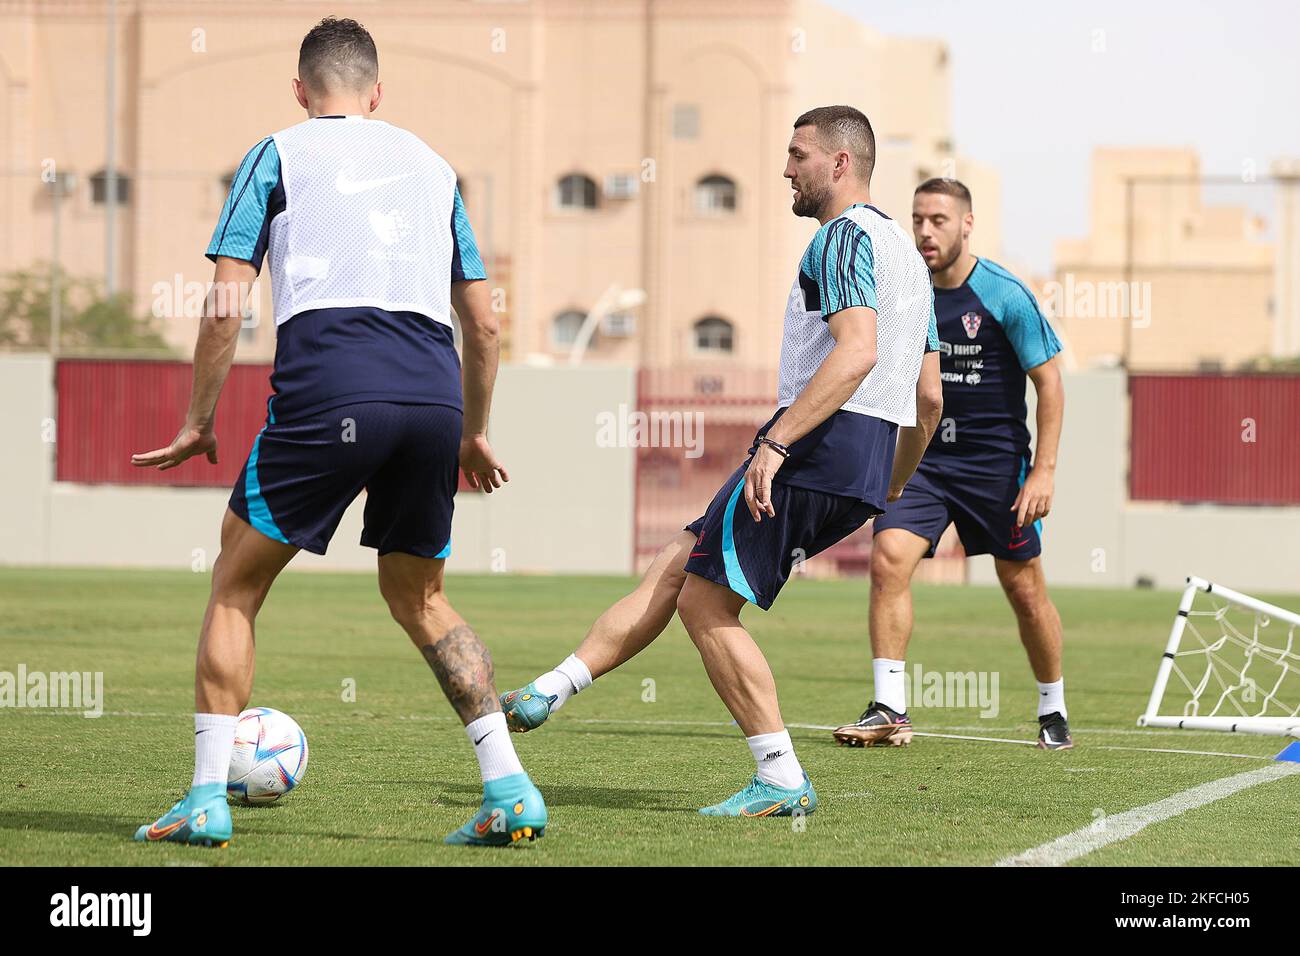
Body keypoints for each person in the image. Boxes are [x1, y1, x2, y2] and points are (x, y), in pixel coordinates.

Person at [131, 17, 545, 848]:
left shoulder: (278, 152)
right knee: (419, 596)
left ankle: (207, 799)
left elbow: (224, 302)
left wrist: (198, 419)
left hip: (332, 385)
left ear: (300, 90)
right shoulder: (434, 168)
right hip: (433, 393)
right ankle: (512, 789)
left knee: (237, 584)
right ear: (377, 94)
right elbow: (486, 324)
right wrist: (472, 430)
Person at [502, 106, 943, 817]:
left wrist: (777, 443)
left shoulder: (839, 238)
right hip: (861, 457)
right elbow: (929, 401)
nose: (786, 169)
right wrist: (885, 484)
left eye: (798, 155)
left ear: (839, 163)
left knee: (707, 601)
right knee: (681, 562)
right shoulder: (909, 262)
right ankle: (551, 689)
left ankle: (779, 777)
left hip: (816, 441)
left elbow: (855, 351)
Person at [831, 178, 1072, 750]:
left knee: (1025, 589)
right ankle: (889, 706)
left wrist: (1045, 470)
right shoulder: (907, 291)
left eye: (938, 220)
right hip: (924, 462)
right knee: (888, 560)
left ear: (967, 225)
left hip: (995, 467)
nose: (925, 231)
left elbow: (1051, 382)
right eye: (917, 219)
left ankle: (1052, 708)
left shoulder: (1005, 293)